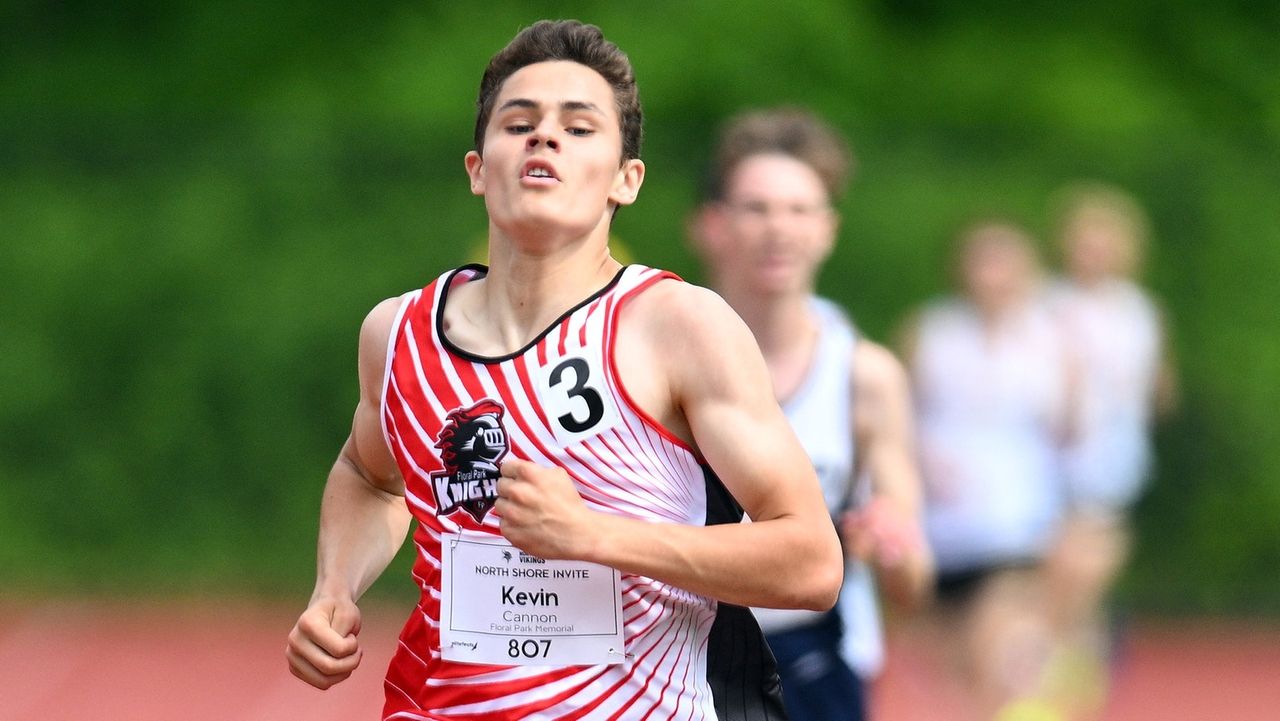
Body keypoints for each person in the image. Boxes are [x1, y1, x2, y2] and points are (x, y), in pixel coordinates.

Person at [284, 19, 844, 721]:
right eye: (519, 122)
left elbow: (812, 560)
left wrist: (595, 536)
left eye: (579, 128)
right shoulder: (398, 335)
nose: (544, 136)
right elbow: (369, 476)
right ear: (478, 168)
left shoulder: (677, 327)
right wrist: (334, 588)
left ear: (626, 180)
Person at [690, 107, 933, 721]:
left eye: (800, 210)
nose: (780, 229)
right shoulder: (654, 357)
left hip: (816, 663)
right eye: (757, 208)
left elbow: (915, 577)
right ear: (714, 225)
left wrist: (891, 542)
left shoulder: (864, 376)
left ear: (828, 228)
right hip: (676, 653)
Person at [901, 221, 1071, 721]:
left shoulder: (1051, 338)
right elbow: (898, 415)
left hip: (1020, 514)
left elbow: (1071, 430)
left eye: (1005, 263)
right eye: (983, 262)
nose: (993, 277)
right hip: (949, 519)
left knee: (1000, 635)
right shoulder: (931, 331)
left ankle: (1017, 703)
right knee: (959, 652)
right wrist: (924, 463)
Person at [1041, 183, 1178, 719]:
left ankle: (1075, 680)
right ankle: (1065, 672)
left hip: (1111, 461)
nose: (1092, 251)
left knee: (1086, 574)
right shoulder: (1049, 302)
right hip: (1050, 464)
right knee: (1058, 579)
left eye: (1104, 240)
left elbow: (1158, 387)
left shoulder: (1140, 310)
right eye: (1084, 239)